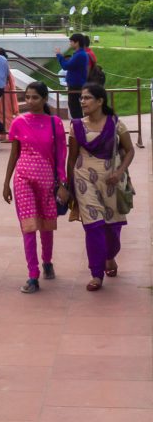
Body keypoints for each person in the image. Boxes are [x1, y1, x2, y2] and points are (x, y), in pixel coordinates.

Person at [67, 83, 134, 290]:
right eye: (81, 98)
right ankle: (96, 274)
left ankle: (110, 256)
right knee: (93, 227)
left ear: (100, 101)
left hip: (111, 181)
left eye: (87, 98)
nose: (82, 101)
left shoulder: (116, 124)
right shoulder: (77, 126)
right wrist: (68, 186)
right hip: (84, 179)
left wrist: (119, 171)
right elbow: (72, 158)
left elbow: (130, 150)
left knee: (112, 228)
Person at [3, 82, 67, 293]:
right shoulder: (18, 122)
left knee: (46, 225)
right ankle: (33, 275)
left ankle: (47, 260)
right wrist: (6, 183)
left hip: (47, 180)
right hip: (23, 179)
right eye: (27, 97)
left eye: (35, 97)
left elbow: (61, 155)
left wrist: (62, 182)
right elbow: (14, 154)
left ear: (44, 98)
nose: (30, 101)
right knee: (29, 226)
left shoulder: (54, 123)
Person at [57, 34, 101, 119]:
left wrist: (59, 56)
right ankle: (79, 127)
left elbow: (66, 66)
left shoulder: (80, 55)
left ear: (77, 43)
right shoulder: (79, 54)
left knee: (75, 109)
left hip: (76, 86)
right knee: (75, 107)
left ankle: (79, 128)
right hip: (76, 85)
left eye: (71, 42)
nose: (70, 44)